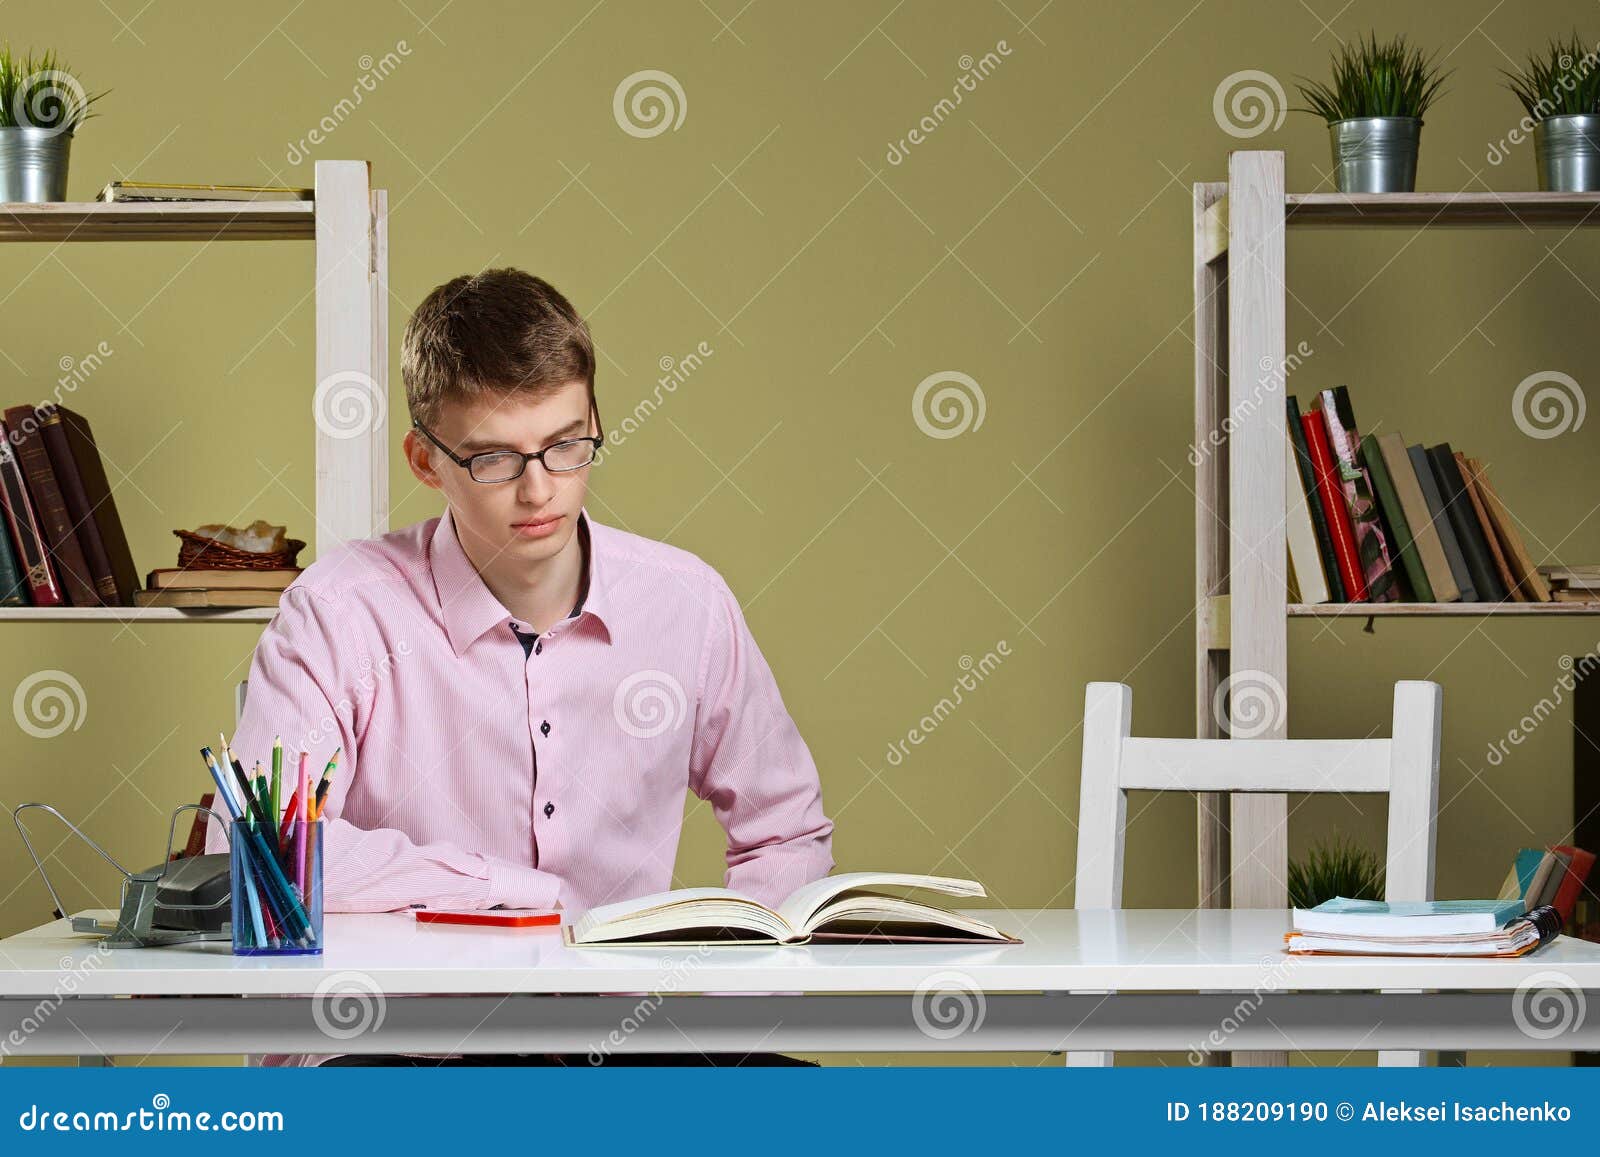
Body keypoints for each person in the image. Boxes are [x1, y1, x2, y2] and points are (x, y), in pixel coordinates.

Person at [207, 268, 833, 1066]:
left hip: (614, 1046)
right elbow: (257, 852)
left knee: (808, 1104)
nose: (540, 489)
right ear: (425, 460)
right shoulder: (341, 611)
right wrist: (498, 885)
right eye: (494, 459)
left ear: (596, 419)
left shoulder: (688, 605)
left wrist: (728, 1012)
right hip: (394, 1046)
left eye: (567, 445)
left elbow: (786, 831)